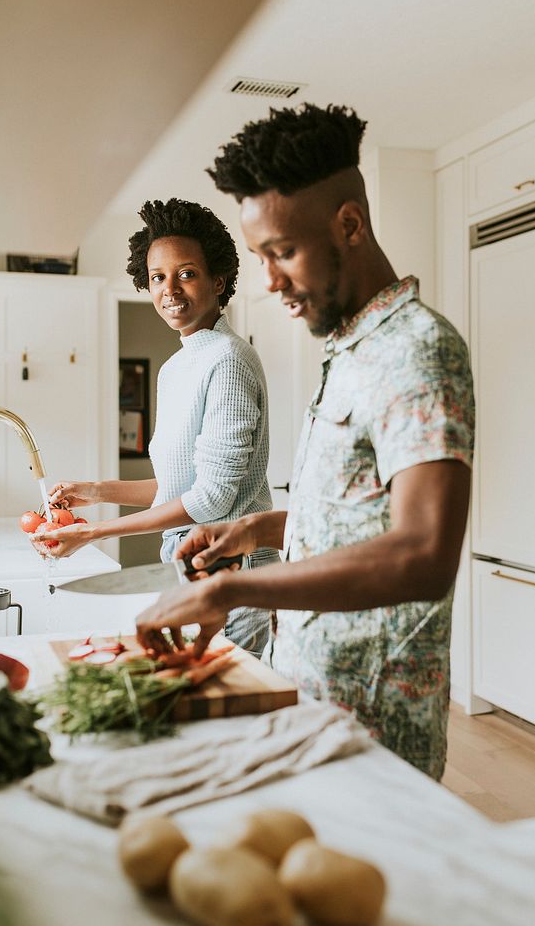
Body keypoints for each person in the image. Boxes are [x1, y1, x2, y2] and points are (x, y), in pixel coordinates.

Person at [135, 105, 475, 780]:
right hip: (313, 695)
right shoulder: (349, 350)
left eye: (283, 253)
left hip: (375, 722)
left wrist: (232, 595)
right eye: (261, 257)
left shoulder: (416, 349)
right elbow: (361, 519)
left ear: (349, 225)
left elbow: (424, 550)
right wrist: (258, 527)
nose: (269, 281)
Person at [33, 197, 279, 656]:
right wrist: (97, 490)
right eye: (157, 278)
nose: (170, 289)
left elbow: (211, 501)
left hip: (236, 572)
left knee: (223, 701)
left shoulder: (228, 361)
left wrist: (93, 534)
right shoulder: (175, 368)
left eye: (186, 273)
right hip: (188, 568)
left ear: (218, 280)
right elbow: (178, 488)